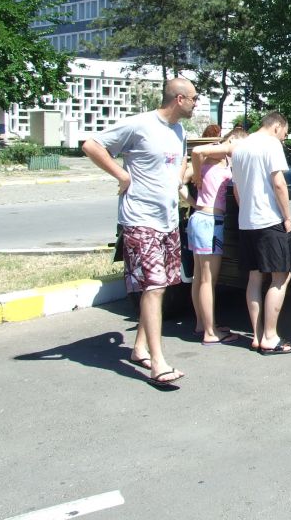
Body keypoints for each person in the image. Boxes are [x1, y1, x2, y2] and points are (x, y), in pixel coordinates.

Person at [81, 77, 198, 386]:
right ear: (179, 99)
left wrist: (186, 196)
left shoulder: (178, 131)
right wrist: (121, 174)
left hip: (168, 220)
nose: (197, 104)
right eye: (194, 99)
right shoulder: (140, 125)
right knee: (154, 287)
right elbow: (91, 145)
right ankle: (157, 363)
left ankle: (139, 348)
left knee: (161, 287)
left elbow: (175, 172)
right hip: (140, 219)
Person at [230, 112, 291, 355]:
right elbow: (279, 183)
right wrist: (288, 216)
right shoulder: (271, 144)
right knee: (280, 277)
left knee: (254, 279)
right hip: (269, 221)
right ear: (277, 125)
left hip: (247, 222)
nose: (284, 137)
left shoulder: (239, 146)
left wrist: (247, 211)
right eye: (285, 132)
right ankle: (271, 337)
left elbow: (236, 190)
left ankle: (257, 335)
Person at [187, 126, 247, 344]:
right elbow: (195, 153)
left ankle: (201, 324)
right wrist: (198, 181)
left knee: (199, 277)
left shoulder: (216, 160)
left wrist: (194, 201)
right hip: (210, 222)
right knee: (207, 280)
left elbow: (179, 182)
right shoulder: (217, 152)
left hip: (200, 218)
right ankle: (210, 332)